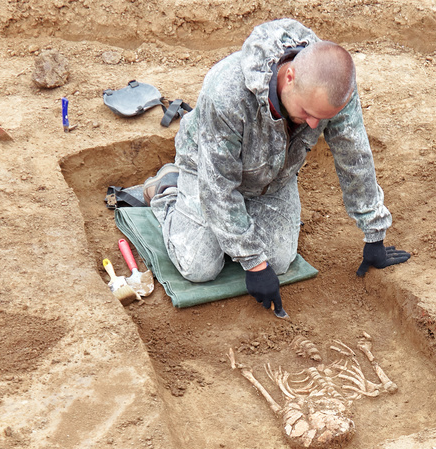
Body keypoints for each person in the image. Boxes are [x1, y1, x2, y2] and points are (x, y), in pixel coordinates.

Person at [146, 18, 410, 314]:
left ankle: (241, 223)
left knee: (281, 261)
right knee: (199, 266)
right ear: (289, 77)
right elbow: (218, 185)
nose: (314, 125)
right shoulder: (227, 92)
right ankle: (168, 190)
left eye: (320, 119)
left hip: (273, 178)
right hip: (206, 170)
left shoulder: (334, 87)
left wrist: (373, 232)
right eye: (308, 113)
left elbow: (354, 153)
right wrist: (253, 262)